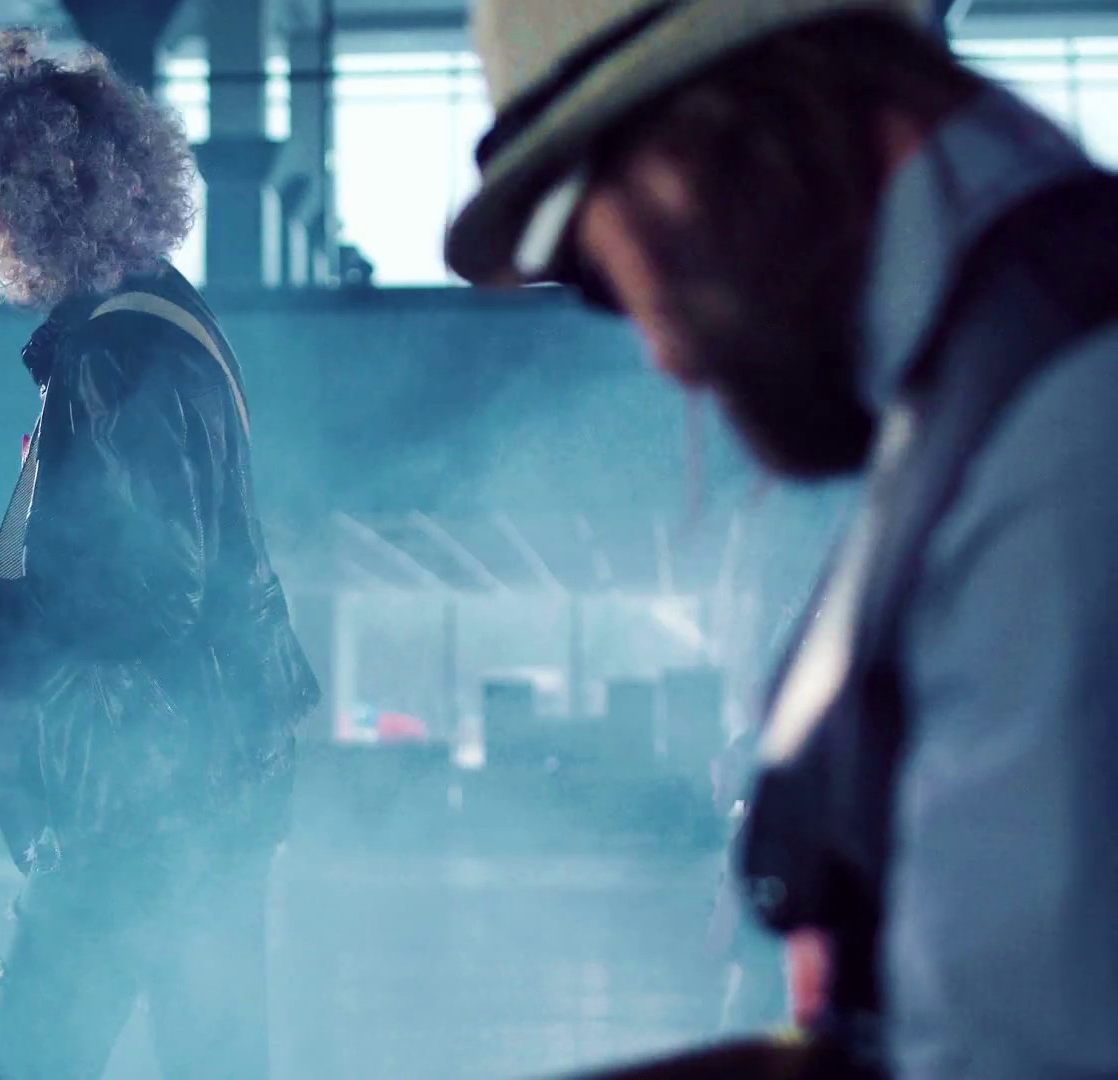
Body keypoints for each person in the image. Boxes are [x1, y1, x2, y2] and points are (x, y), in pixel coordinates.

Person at [444, 1, 1118, 1078]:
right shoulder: (986, 383)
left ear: (701, 145)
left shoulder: (1066, 425)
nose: (664, 357)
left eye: (603, 269)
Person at [0, 29, 319, 1080]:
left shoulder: (117, 354)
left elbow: (137, 620)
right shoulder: (165, 320)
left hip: (142, 811)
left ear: (25, 207)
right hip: (219, 785)